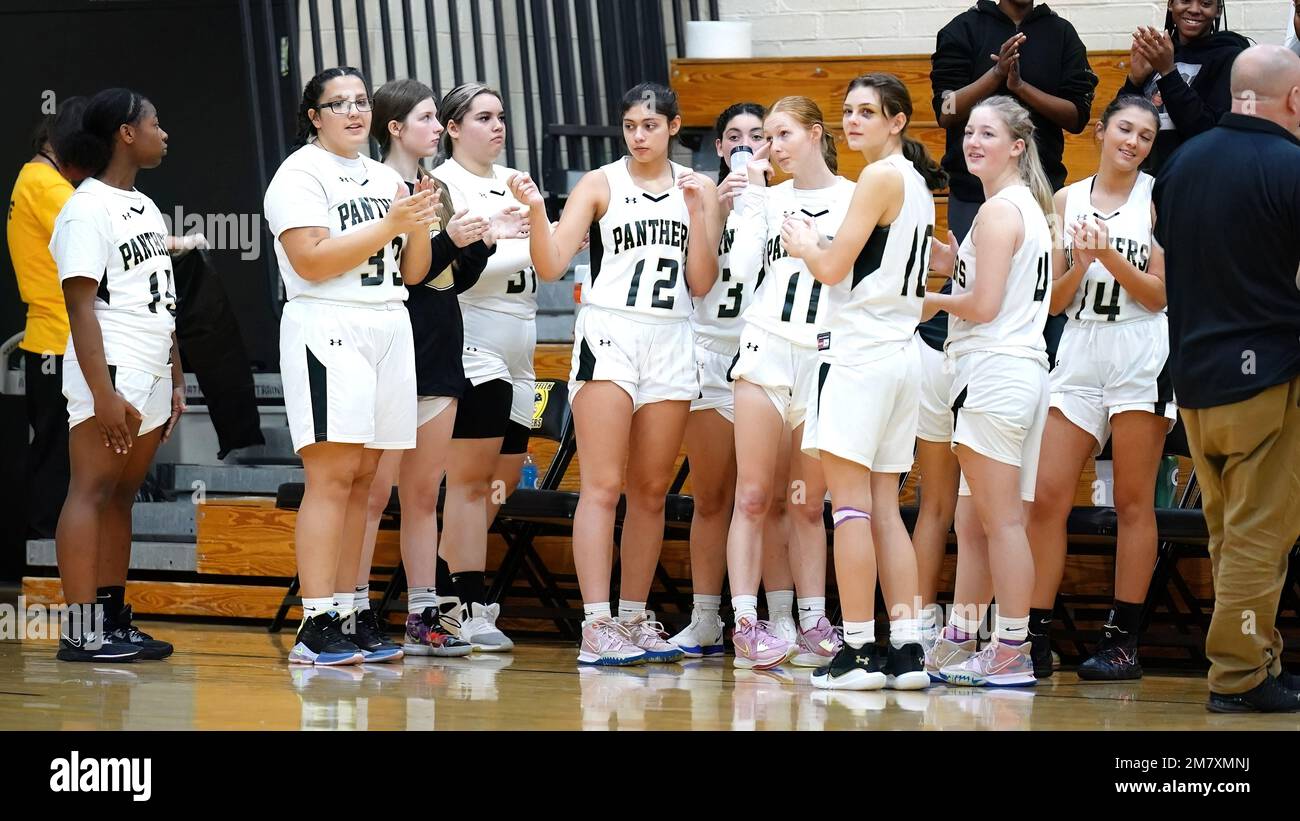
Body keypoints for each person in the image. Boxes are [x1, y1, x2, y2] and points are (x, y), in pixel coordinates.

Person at [509, 82, 719, 666]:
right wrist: (534, 212)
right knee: (601, 485)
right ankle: (595, 624)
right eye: (630, 125)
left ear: (674, 128)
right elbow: (551, 263)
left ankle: (633, 617)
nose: (639, 135)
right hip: (610, 332)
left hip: (673, 334)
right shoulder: (600, 183)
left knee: (650, 491)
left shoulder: (695, 190)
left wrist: (704, 213)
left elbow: (701, 283)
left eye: (651, 125)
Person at [264, 67, 438, 665]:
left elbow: (414, 271)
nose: (355, 112)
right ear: (315, 117)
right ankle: (315, 623)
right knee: (333, 478)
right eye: (339, 104)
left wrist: (416, 223)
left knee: (367, 483)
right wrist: (391, 223)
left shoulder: (383, 175)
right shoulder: (298, 174)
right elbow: (310, 261)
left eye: (361, 101)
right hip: (329, 324)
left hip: (389, 323)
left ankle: (348, 607)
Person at [781, 73, 946, 691]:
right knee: (884, 509)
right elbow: (865, 260)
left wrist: (803, 242)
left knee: (848, 508)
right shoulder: (916, 184)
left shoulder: (877, 176)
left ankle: (856, 652)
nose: (852, 121)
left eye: (867, 112)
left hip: (860, 355)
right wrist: (824, 244)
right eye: (847, 111)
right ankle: (906, 651)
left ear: (897, 120)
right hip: (901, 355)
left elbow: (830, 267)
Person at [1155, 45, 1300, 713]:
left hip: (1194, 381)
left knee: (1228, 532)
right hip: (1265, 379)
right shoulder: (1291, 166)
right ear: (1293, 99)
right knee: (1257, 535)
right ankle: (1239, 675)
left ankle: (1258, 654)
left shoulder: (1181, 163)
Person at [1025, 96, 1171, 682]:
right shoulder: (1067, 199)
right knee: (1045, 497)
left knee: (1134, 502)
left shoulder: (1157, 196)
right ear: (1103, 132)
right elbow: (1053, 304)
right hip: (1080, 347)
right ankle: (1033, 635)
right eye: (1125, 130)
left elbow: (1161, 295)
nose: (1133, 142)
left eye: (1145, 136)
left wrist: (1107, 254)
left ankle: (1122, 641)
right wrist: (1081, 265)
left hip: (1141, 347)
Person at [49, 89, 183, 662]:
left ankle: (110, 616)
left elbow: (164, 300)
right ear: (126, 133)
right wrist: (102, 392)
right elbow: (80, 308)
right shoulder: (86, 208)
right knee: (91, 490)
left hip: (152, 363)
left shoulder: (146, 206)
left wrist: (176, 378)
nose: (164, 132)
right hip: (111, 366)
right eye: (156, 123)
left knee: (123, 496)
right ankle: (80, 630)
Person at [924, 95, 1054, 688]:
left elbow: (982, 307)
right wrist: (958, 264)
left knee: (1000, 523)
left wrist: (931, 299)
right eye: (969, 131)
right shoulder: (1012, 208)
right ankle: (962, 637)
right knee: (974, 524)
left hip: (995, 373)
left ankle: (1011, 648)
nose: (973, 141)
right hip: (1011, 370)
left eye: (988, 134)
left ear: (1017, 147)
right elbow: (994, 292)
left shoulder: (1001, 212)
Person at [724, 96, 851, 670]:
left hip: (826, 358)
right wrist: (749, 201)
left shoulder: (856, 198)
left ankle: (814, 621)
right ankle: (746, 623)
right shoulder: (766, 199)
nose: (771, 146)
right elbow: (741, 269)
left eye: (782, 134)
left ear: (815, 135)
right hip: (767, 348)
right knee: (753, 496)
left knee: (806, 503)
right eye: (766, 137)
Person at [668, 101, 799, 657]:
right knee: (712, 498)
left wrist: (763, 196)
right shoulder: (698, 197)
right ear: (720, 148)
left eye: (757, 135)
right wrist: (710, 214)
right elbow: (692, 283)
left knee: (770, 500)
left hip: (767, 358)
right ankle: (706, 619)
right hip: (708, 354)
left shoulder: (785, 204)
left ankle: (783, 617)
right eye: (734, 136)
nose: (746, 144)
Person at [430, 82, 537, 652]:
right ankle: (463, 605)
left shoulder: (517, 179)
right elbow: (452, 266)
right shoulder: (445, 186)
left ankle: (449, 584)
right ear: (452, 127)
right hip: (473, 333)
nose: (497, 126)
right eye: (483, 117)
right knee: (469, 483)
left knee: (503, 480)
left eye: (501, 116)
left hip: (524, 333)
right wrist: (494, 237)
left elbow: (545, 255)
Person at [931, 0, 1096, 240]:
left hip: (1042, 189)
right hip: (972, 193)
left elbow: (1077, 116)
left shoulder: (1061, 33)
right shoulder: (962, 29)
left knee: (1042, 275)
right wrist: (996, 74)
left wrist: (1020, 87)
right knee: (972, 275)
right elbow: (946, 110)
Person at [8, 98, 85, 540]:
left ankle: (47, 547)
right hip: (60, 338)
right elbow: (103, 240)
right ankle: (48, 551)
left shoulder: (32, 178)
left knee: (56, 449)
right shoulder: (48, 187)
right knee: (61, 452)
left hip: (52, 337)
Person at [1117, 0, 1249, 174]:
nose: (1194, 10)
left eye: (1206, 3)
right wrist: (1134, 81)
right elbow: (1118, 125)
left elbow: (1207, 132)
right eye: (1185, 1)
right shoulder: (1159, 52)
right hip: (1141, 183)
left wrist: (1168, 72)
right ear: (1171, 4)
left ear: (1218, 10)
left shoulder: (1230, 57)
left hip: (1193, 183)